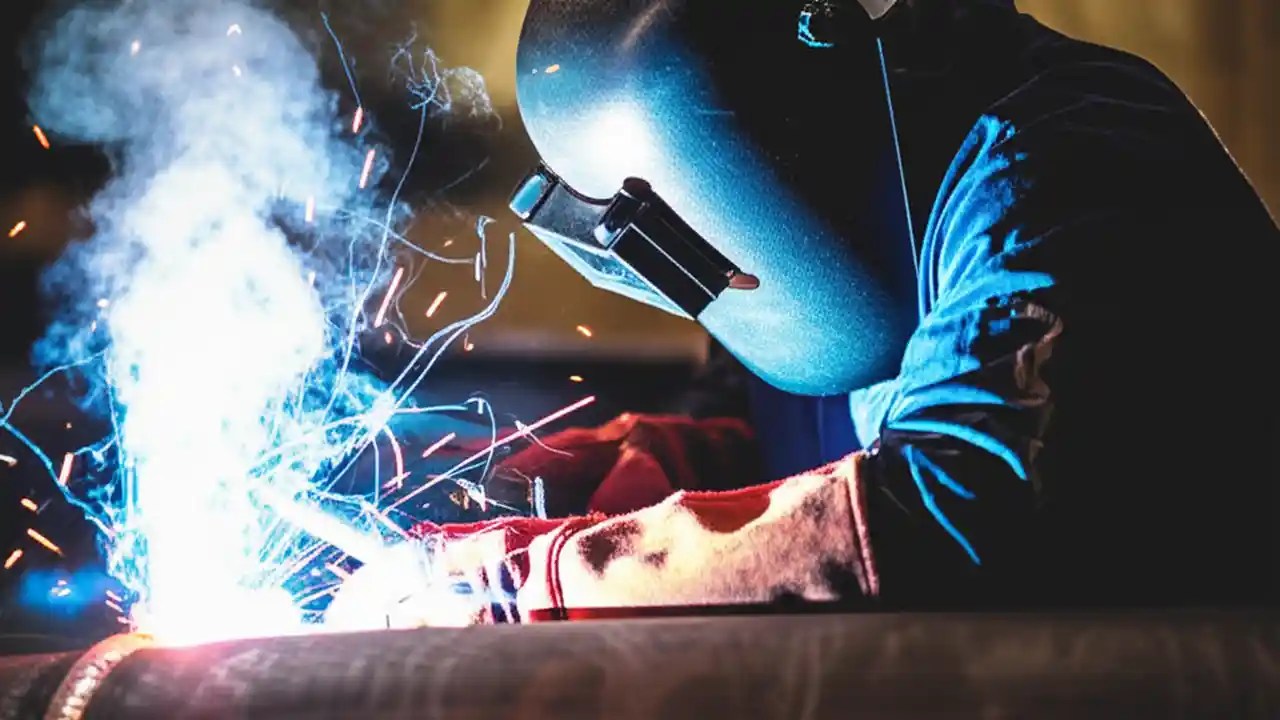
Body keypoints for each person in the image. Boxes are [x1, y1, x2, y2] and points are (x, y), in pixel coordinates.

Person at [327, 0, 1279, 629]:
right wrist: (633, 469)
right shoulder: (828, 196)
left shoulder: (1058, 161)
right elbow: (786, 426)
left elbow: (952, 510)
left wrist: (526, 580)